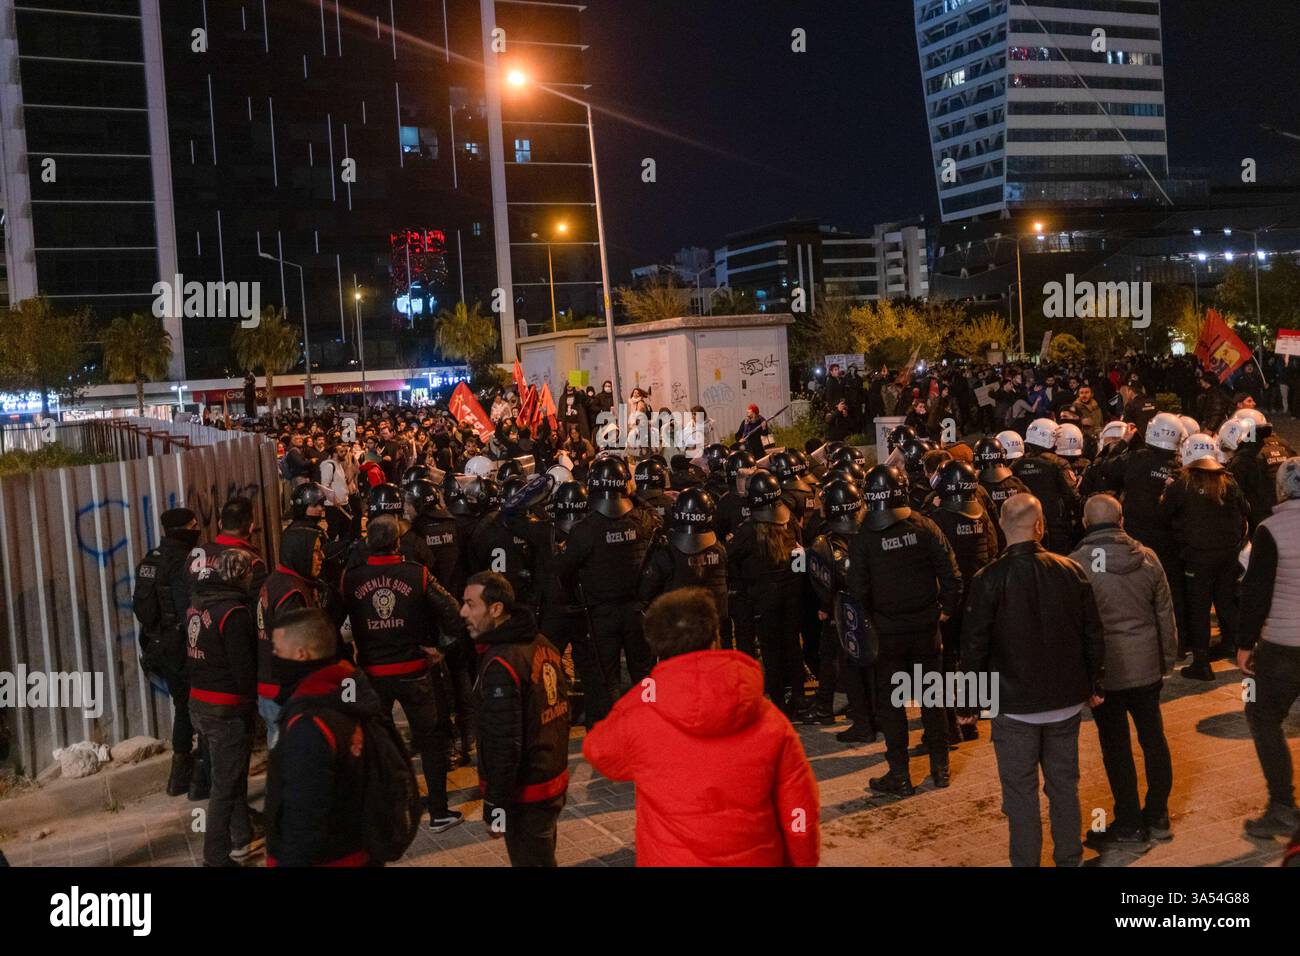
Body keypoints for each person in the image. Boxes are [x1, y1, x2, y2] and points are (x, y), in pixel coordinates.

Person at [583, 588, 820, 867]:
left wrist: (644, 694)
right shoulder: (770, 720)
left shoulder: (642, 715)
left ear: (656, 646)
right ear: (715, 636)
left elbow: (598, 750)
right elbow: (799, 809)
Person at [961, 494, 1104, 867]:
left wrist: (967, 706)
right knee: (1064, 786)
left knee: (1020, 794)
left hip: (1012, 706)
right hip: (1065, 702)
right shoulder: (1071, 571)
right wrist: (1094, 685)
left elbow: (974, 647)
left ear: (1001, 528)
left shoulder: (987, 579)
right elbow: (1092, 634)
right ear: (1039, 526)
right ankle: (1068, 858)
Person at [341, 515, 466, 832]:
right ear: (398, 542)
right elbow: (454, 612)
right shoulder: (417, 574)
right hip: (414, 671)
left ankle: (383, 811)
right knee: (430, 741)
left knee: (376, 743)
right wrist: (441, 648)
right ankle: (438, 811)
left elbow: (329, 620)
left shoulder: (351, 578)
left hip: (372, 673)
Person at [1069, 495, 1176, 851]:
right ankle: (1158, 815)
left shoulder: (1076, 565)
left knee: (1116, 748)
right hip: (1146, 668)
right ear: (1122, 520)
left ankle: (1129, 823)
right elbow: (1164, 615)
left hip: (1107, 674)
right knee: (1153, 740)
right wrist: (1167, 660)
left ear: (1085, 523)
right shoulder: (1148, 559)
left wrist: (1081, 677)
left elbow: (1075, 628)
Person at [847, 464, 961, 794]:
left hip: (887, 635)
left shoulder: (866, 535)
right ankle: (940, 769)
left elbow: (857, 590)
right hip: (926, 630)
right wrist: (945, 611)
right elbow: (951, 573)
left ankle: (900, 775)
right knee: (932, 699)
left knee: (892, 705)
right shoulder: (924, 525)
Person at [460, 572, 571, 867]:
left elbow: (504, 743)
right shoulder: (541, 642)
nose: (463, 612)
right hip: (550, 777)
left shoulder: (502, 662)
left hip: (527, 792)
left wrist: (495, 806)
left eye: (470, 604)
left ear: (496, 609)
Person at [265, 608, 381, 867]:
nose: (273, 657)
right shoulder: (349, 694)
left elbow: (304, 817)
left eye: (277, 650)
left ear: (301, 654)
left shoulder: (309, 723)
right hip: (358, 850)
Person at [555, 456, 660, 722]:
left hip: (600, 615)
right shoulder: (642, 521)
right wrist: (633, 495)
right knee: (645, 675)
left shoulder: (585, 530)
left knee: (608, 681)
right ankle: (652, 721)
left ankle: (617, 731)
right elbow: (656, 518)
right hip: (638, 612)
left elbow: (563, 571)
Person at [1238, 458, 1300, 840]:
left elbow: (1256, 593)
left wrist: (1245, 645)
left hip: (1281, 646)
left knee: (1261, 716)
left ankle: (1282, 805)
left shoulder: (1270, 530)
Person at [186, 548, 260, 866]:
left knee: (230, 773)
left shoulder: (198, 605)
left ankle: (241, 836)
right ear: (238, 576)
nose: (251, 578)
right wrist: (255, 704)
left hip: (200, 704)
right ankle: (215, 856)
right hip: (225, 710)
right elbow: (244, 670)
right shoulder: (233, 614)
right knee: (225, 785)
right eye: (248, 573)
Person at [1158, 436, 1250, 680]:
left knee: (1198, 608)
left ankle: (1201, 662)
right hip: (1228, 555)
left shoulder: (1181, 485)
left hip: (1197, 558)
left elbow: (1164, 514)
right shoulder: (1227, 482)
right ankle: (1239, 646)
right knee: (1225, 601)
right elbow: (1246, 510)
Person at [132, 507, 203, 797]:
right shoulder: (184, 562)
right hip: (183, 643)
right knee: (196, 706)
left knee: (182, 706)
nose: (197, 528)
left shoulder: (150, 560)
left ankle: (179, 777)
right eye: (193, 525)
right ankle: (197, 779)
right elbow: (191, 606)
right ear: (182, 530)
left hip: (159, 645)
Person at [727, 470, 805, 716]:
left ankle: (780, 700)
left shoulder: (748, 531)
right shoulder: (789, 520)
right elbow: (800, 556)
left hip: (763, 598)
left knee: (771, 649)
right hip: (792, 594)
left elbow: (730, 559)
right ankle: (799, 697)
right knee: (792, 644)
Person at [256, 526, 329, 750]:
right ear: (300, 552)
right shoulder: (291, 591)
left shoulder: (277, 581)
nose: (321, 557)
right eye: (315, 551)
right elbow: (295, 649)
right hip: (284, 693)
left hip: (272, 687)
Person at [1011, 418, 1079, 554]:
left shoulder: (1016, 466)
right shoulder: (1058, 463)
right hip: (1056, 529)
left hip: (1027, 530)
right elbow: (1072, 497)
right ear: (1046, 438)